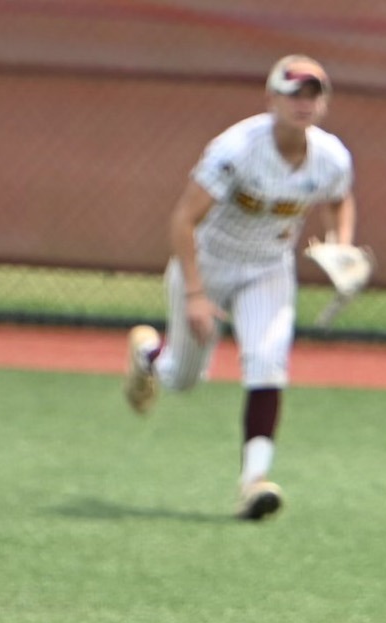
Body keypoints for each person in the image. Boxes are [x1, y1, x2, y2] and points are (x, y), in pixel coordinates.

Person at [121, 54, 358, 521]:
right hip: (208, 262)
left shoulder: (330, 156)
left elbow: (339, 198)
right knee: (183, 378)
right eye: (293, 93)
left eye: (313, 94)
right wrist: (195, 294)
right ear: (271, 99)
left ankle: (254, 482)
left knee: (268, 360)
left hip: (268, 266)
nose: (303, 103)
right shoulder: (236, 149)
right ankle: (150, 355)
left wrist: (342, 247)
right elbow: (184, 220)